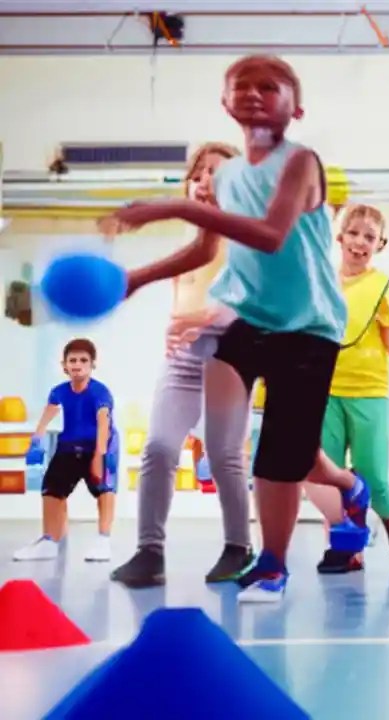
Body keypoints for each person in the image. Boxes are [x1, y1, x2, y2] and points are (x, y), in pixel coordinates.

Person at [102, 55, 389, 603]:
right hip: (248, 321)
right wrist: (138, 278)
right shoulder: (230, 176)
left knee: (280, 456)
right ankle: (300, 510)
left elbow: (271, 234)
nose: (254, 94)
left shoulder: (301, 162)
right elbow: (205, 248)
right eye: (242, 86)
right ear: (225, 101)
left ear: (296, 107)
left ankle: (273, 564)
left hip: (309, 328)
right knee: (245, 446)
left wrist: (172, 206)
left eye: (270, 86)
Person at [110, 142, 256, 588]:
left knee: (224, 454)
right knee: (158, 448)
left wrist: (203, 320)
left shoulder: (248, 242)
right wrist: (175, 327)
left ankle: (238, 547)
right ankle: (149, 552)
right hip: (182, 360)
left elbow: (249, 307)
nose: (205, 180)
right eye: (199, 173)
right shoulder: (191, 247)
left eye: (216, 172)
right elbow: (183, 302)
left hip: (229, 355)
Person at [306, 204, 389, 574]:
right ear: (340, 237)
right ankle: (347, 550)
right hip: (325, 393)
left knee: (373, 477)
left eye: (370, 237)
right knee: (328, 477)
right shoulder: (323, 282)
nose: (360, 242)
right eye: (354, 233)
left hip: (369, 393)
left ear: (379, 245)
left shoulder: (381, 285)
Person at [14, 339, 118, 563]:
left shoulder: (100, 392)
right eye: (73, 360)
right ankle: (50, 541)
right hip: (69, 445)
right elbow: (48, 414)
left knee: (104, 488)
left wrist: (99, 456)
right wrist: (37, 438)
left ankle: (103, 540)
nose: (78, 365)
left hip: (99, 445)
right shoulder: (59, 391)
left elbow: (103, 423)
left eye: (83, 360)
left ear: (92, 365)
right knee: (52, 489)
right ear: (64, 365)